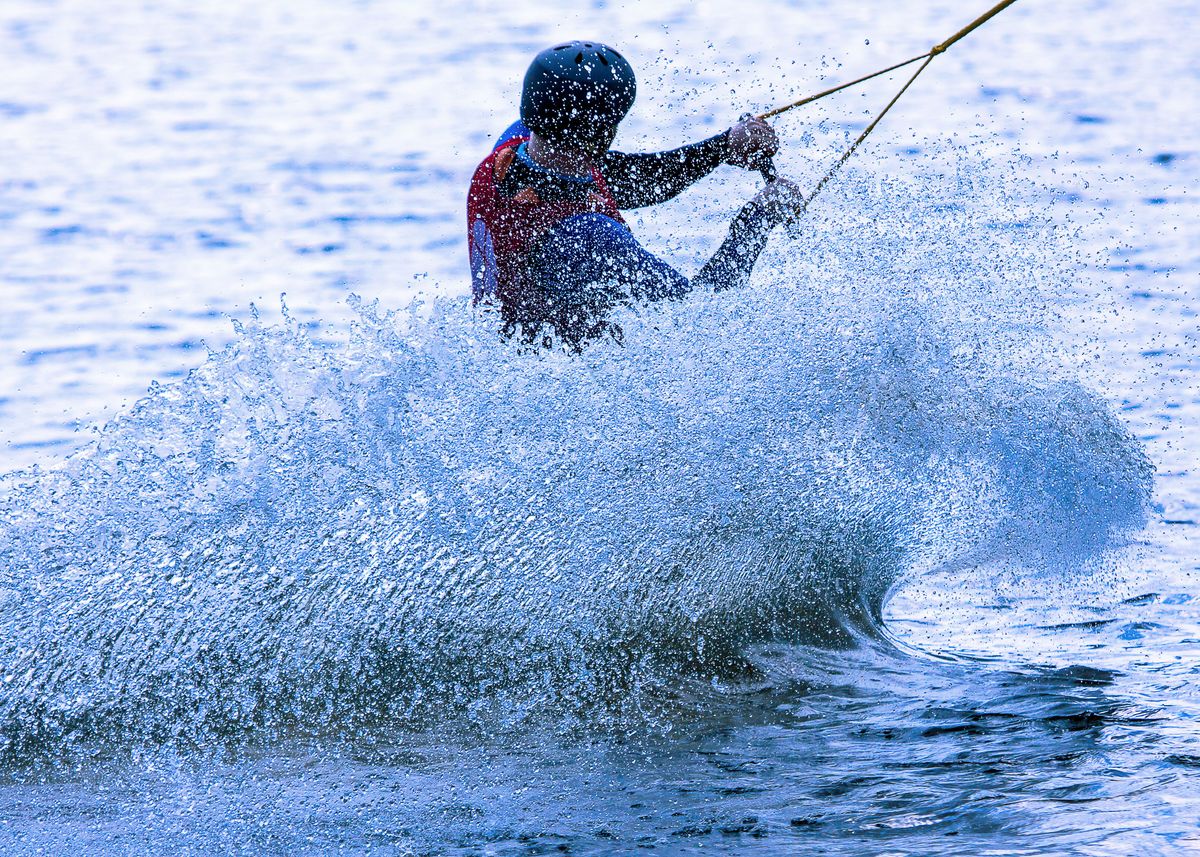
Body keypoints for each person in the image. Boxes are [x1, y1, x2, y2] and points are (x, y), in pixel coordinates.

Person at [467, 40, 801, 349]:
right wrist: (758, 219)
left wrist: (724, 145)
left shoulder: (509, 155)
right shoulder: (589, 240)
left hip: (510, 354)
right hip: (575, 385)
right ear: (603, 136)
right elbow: (705, 314)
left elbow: (638, 179)